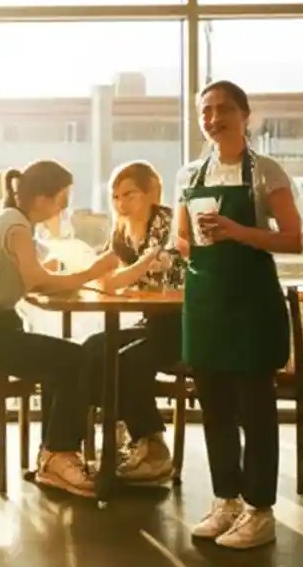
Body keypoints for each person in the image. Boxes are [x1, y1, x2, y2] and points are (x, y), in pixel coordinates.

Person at [0, 160, 142, 498]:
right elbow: (38, 281)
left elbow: (35, 281)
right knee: (73, 359)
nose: (64, 207)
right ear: (41, 199)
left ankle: (56, 455)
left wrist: (72, 274)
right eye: (62, 198)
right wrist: (93, 272)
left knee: (61, 361)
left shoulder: (11, 221)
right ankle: (58, 455)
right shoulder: (16, 227)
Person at [174, 80, 303, 550]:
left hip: (250, 303)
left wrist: (238, 231)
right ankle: (225, 499)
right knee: (214, 410)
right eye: (204, 111)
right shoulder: (189, 174)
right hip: (205, 302)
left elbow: (294, 237)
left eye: (223, 109)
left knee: (255, 408)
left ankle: (259, 509)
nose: (212, 118)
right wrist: (199, 244)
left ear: (245, 114)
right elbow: (180, 238)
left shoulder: (266, 172)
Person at [82, 160, 187, 484]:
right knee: (94, 349)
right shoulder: (123, 230)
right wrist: (62, 277)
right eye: (115, 196)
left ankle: (154, 448)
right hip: (154, 321)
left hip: (183, 325)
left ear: (150, 193)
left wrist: (112, 279)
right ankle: (119, 431)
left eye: (129, 194)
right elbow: (102, 270)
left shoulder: (165, 222)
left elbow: (133, 270)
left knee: (127, 362)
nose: (120, 203)